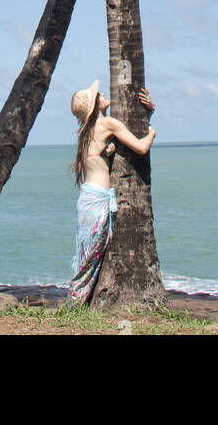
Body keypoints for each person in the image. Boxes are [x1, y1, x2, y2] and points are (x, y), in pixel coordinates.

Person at [66, 79, 156, 306]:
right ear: (96, 106)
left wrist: (108, 150)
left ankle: (76, 305)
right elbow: (142, 147)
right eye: (99, 96)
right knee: (89, 258)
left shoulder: (86, 132)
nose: (103, 93)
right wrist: (151, 126)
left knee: (85, 256)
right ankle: (74, 306)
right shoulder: (107, 124)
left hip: (88, 197)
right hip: (97, 200)